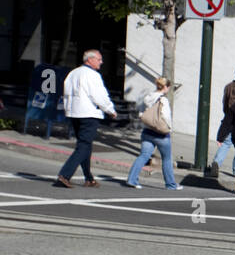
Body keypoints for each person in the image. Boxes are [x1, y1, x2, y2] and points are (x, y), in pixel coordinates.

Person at [55, 49, 117, 188]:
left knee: (85, 146)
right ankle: (64, 175)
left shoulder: (73, 73)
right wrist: (110, 110)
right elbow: (99, 95)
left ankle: (89, 178)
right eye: (99, 59)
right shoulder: (92, 75)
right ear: (90, 59)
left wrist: (68, 110)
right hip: (88, 113)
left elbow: (66, 93)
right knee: (83, 146)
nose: (101, 62)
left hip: (74, 113)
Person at [124, 77, 181, 190]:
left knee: (144, 155)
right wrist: (169, 128)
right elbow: (166, 117)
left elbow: (140, 111)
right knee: (166, 158)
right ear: (166, 87)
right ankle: (170, 184)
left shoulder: (148, 97)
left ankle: (132, 179)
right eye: (168, 87)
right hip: (161, 134)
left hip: (147, 131)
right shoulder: (163, 100)